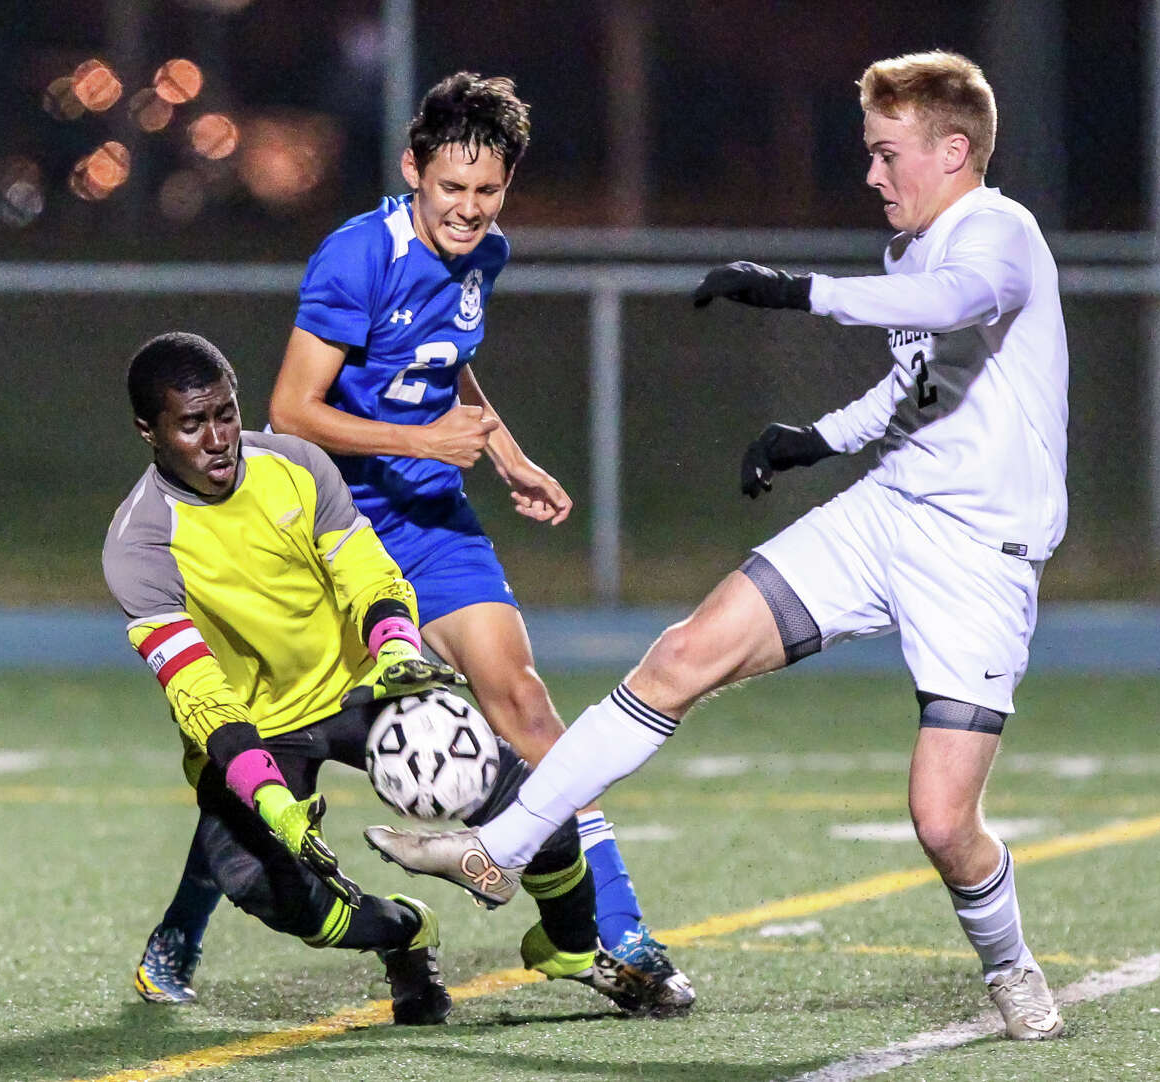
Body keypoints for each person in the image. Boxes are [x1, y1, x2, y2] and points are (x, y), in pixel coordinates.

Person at [366, 51, 1070, 1042]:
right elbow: (918, 384)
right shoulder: (914, 251)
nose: (871, 176)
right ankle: (499, 849)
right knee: (680, 654)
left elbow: (947, 310)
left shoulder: (999, 235)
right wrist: (813, 439)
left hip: (980, 559)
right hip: (886, 514)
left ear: (955, 150)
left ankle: (1011, 965)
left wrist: (796, 291)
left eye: (885, 155)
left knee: (942, 821)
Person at [135, 72, 693, 1015]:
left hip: (432, 522)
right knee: (279, 757)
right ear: (411, 172)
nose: (470, 210)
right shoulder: (355, 257)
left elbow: (445, 359)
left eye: (488, 192)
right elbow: (290, 412)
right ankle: (179, 933)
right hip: (333, 535)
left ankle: (614, 932)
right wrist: (425, 440)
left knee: (524, 703)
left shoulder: (488, 252)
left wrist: (506, 454)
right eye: (451, 190)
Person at [107, 332, 653, 1023]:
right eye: (192, 424)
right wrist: (271, 800)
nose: (219, 438)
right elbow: (198, 692)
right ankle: (405, 933)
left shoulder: (296, 464)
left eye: (225, 413)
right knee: (268, 891)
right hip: (259, 728)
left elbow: (368, 572)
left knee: (532, 800)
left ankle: (571, 946)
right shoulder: (139, 545)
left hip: (362, 686)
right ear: (147, 431)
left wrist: (395, 647)